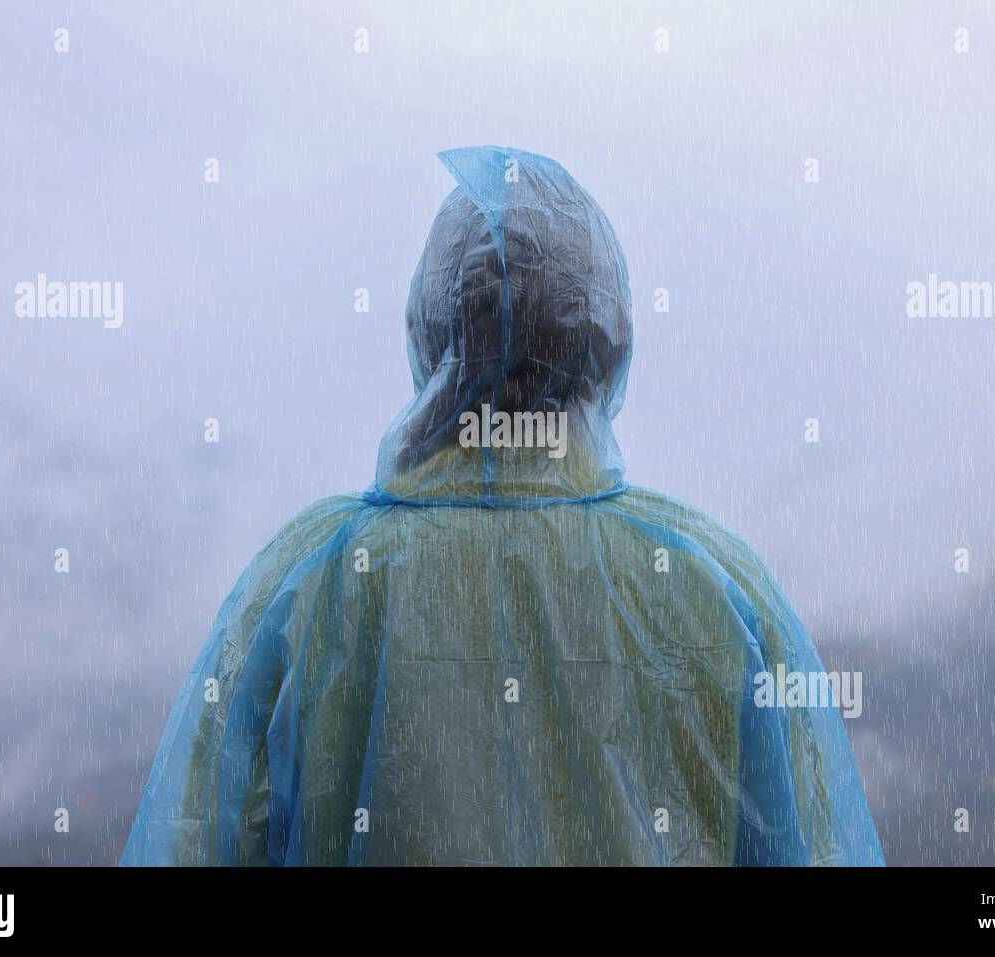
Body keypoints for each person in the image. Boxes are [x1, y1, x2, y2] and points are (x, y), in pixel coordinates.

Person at [121, 146, 884, 866]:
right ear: (607, 339)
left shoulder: (307, 584)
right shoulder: (715, 588)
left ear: (430, 329)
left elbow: (193, 839)